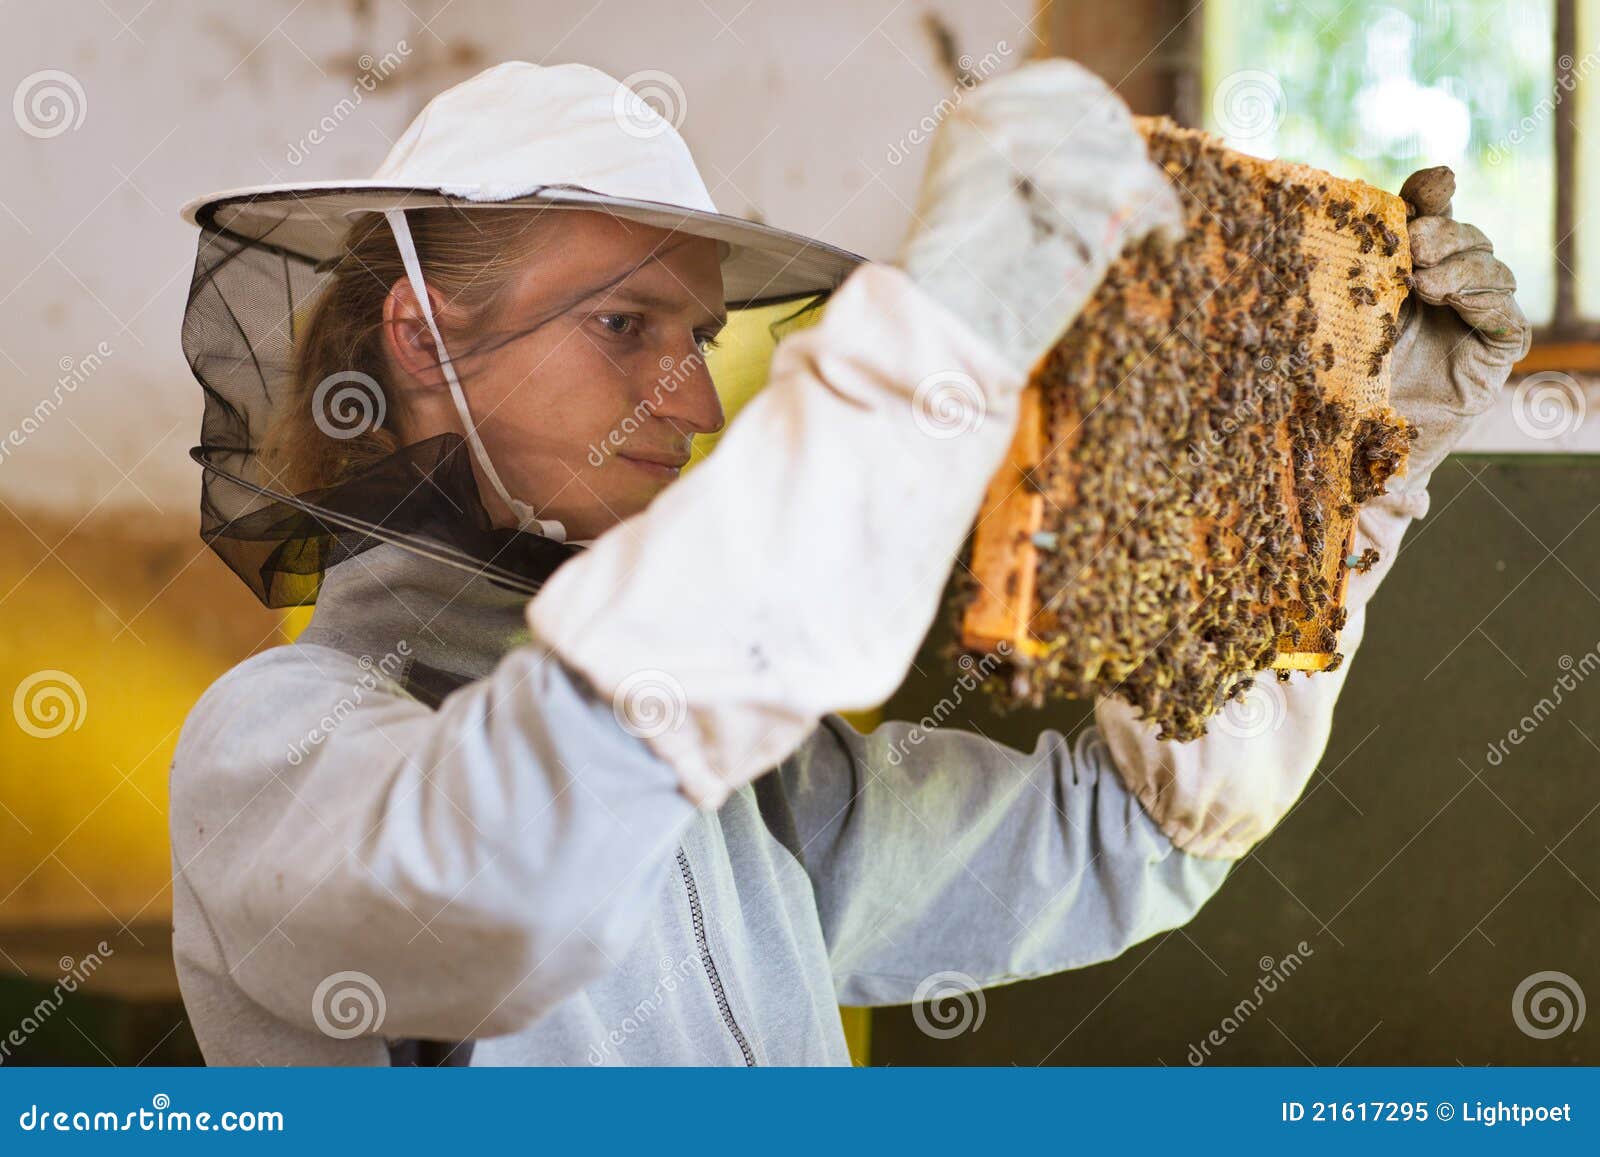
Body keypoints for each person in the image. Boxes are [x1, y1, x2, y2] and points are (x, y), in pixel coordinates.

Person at [169, 60, 1529, 1065]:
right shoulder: (274, 751)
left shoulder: (753, 784)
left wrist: (1349, 463)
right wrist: (937, 342)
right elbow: (511, 881)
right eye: (626, 325)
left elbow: (1133, 838)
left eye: (692, 340)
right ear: (422, 338)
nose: (692, 405)